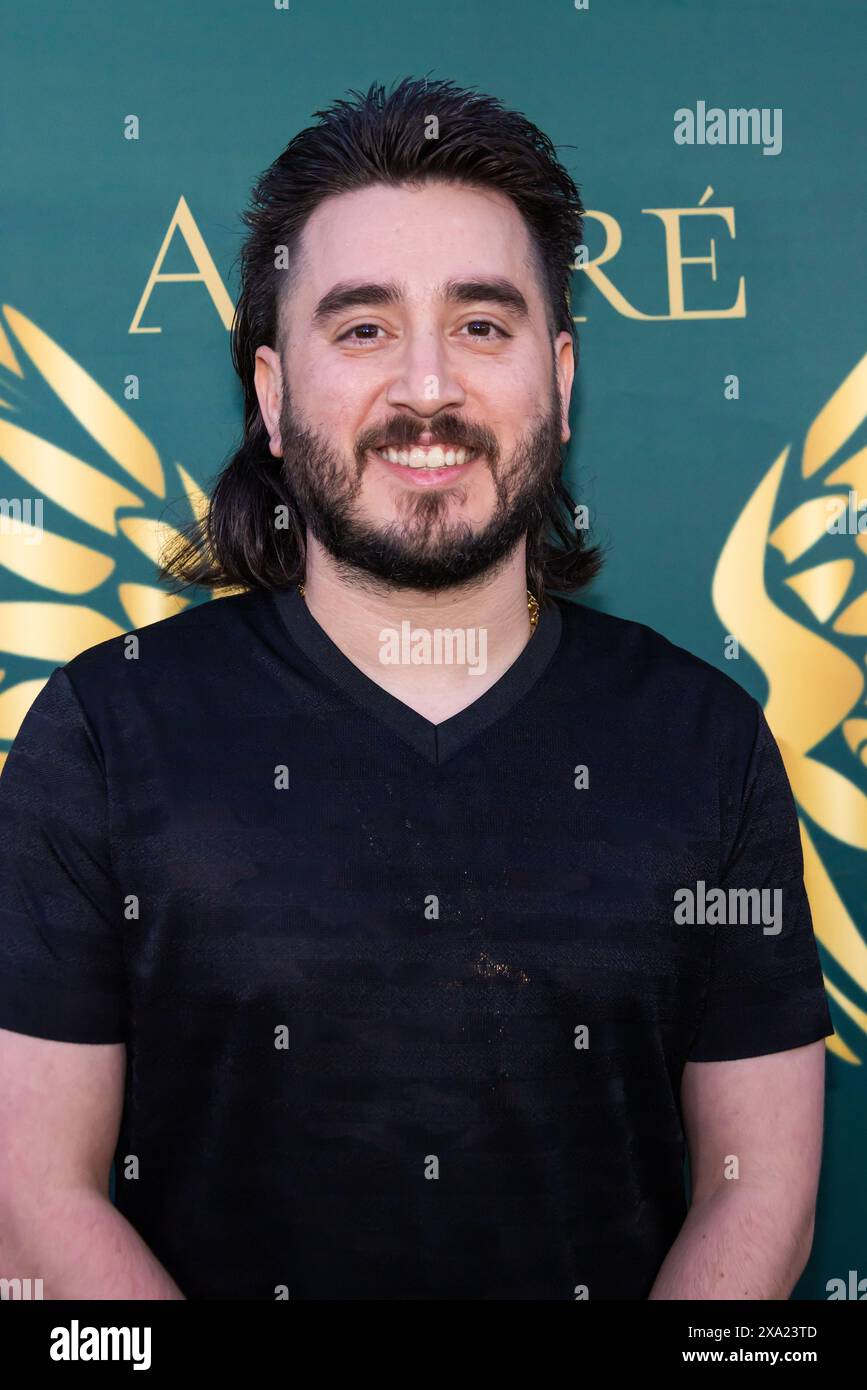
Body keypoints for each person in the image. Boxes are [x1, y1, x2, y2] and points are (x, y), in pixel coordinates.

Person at [0, 77, 833, 1301]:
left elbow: (761, 1196)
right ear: (273, 395)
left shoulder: (708, 743)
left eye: (483, 325)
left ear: (560, 379)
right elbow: (30, 1206)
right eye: (364, 329)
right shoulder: (102, 735)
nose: (429, 389)